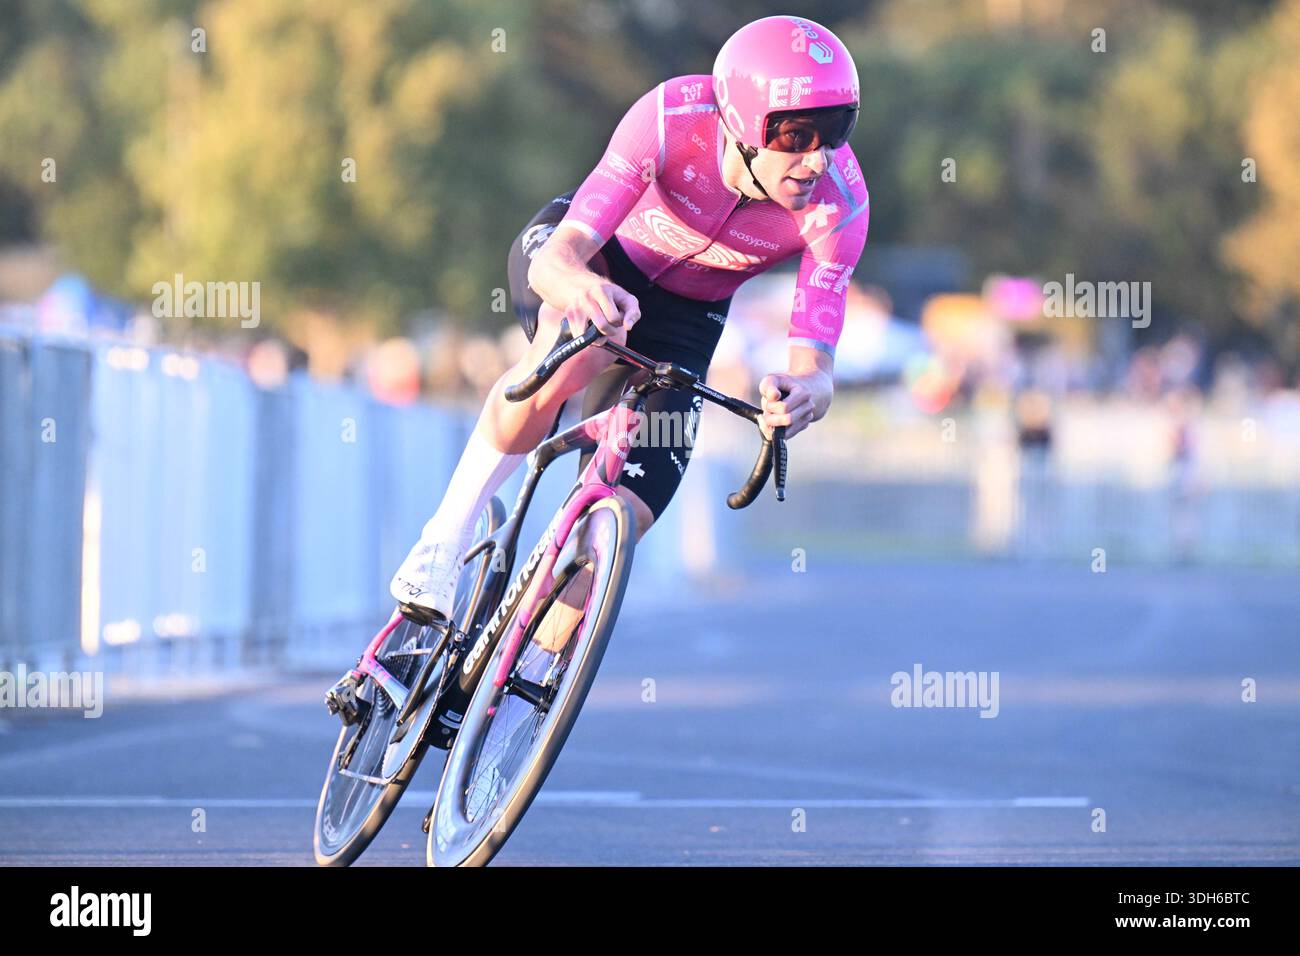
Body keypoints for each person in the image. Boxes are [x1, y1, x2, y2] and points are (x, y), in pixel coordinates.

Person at [390, 15, 870, 618]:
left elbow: (816, 368)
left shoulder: (841, 208)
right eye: (799, 134)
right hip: (597, 259)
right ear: (745, 123)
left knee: (619, 527)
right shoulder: (671, 118)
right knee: (587, 341)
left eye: (837, 131)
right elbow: (557, 260)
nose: (818, 159)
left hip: (688, 322)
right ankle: (444, 538)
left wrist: (805, 393)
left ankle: (520, 700)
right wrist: (585, 289)